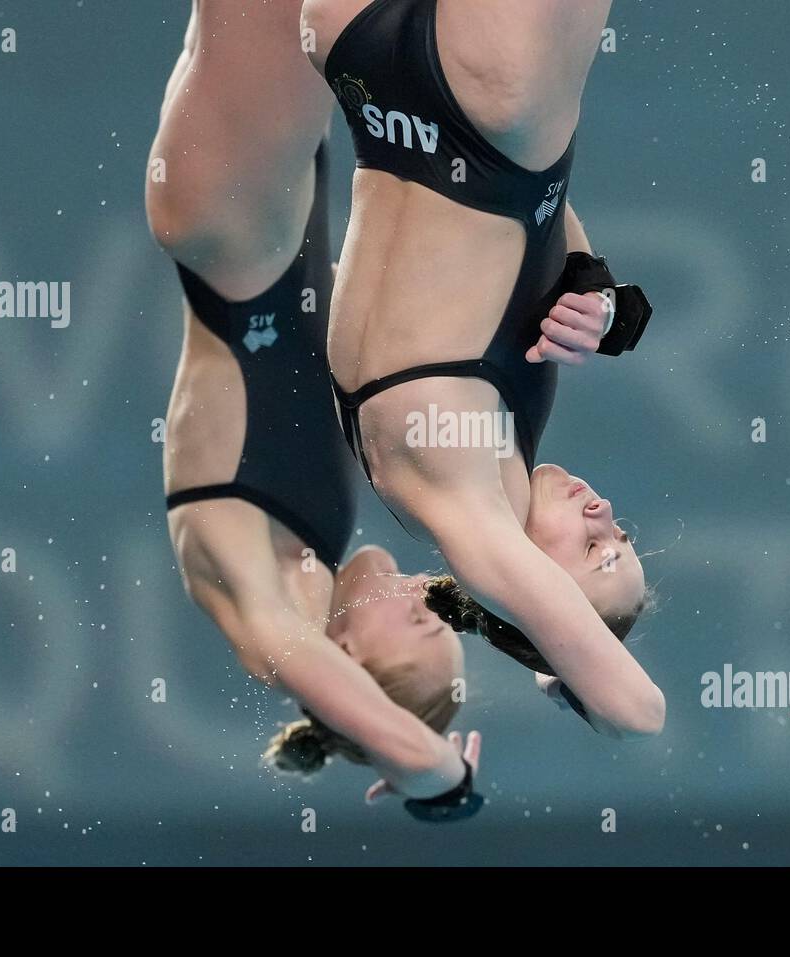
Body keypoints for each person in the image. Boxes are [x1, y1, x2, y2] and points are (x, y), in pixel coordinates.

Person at [145, 0, 481, 815]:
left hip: (237, 228)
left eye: (420, 630)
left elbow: (328, 686)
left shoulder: (263, 606)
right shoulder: (314, 548)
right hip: (263, 214)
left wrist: (439, 776)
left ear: (344, 655)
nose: (424, 603)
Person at [303, 0, 665, 739]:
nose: (603, 513)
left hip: (493, 95)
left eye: (596, 552)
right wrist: (598, 294)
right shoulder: (473, 441)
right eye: (621, 532)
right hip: (362, 59)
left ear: (534, 604)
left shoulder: (468, 508)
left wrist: (556, 673)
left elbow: (638, 714)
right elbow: (515, 224)